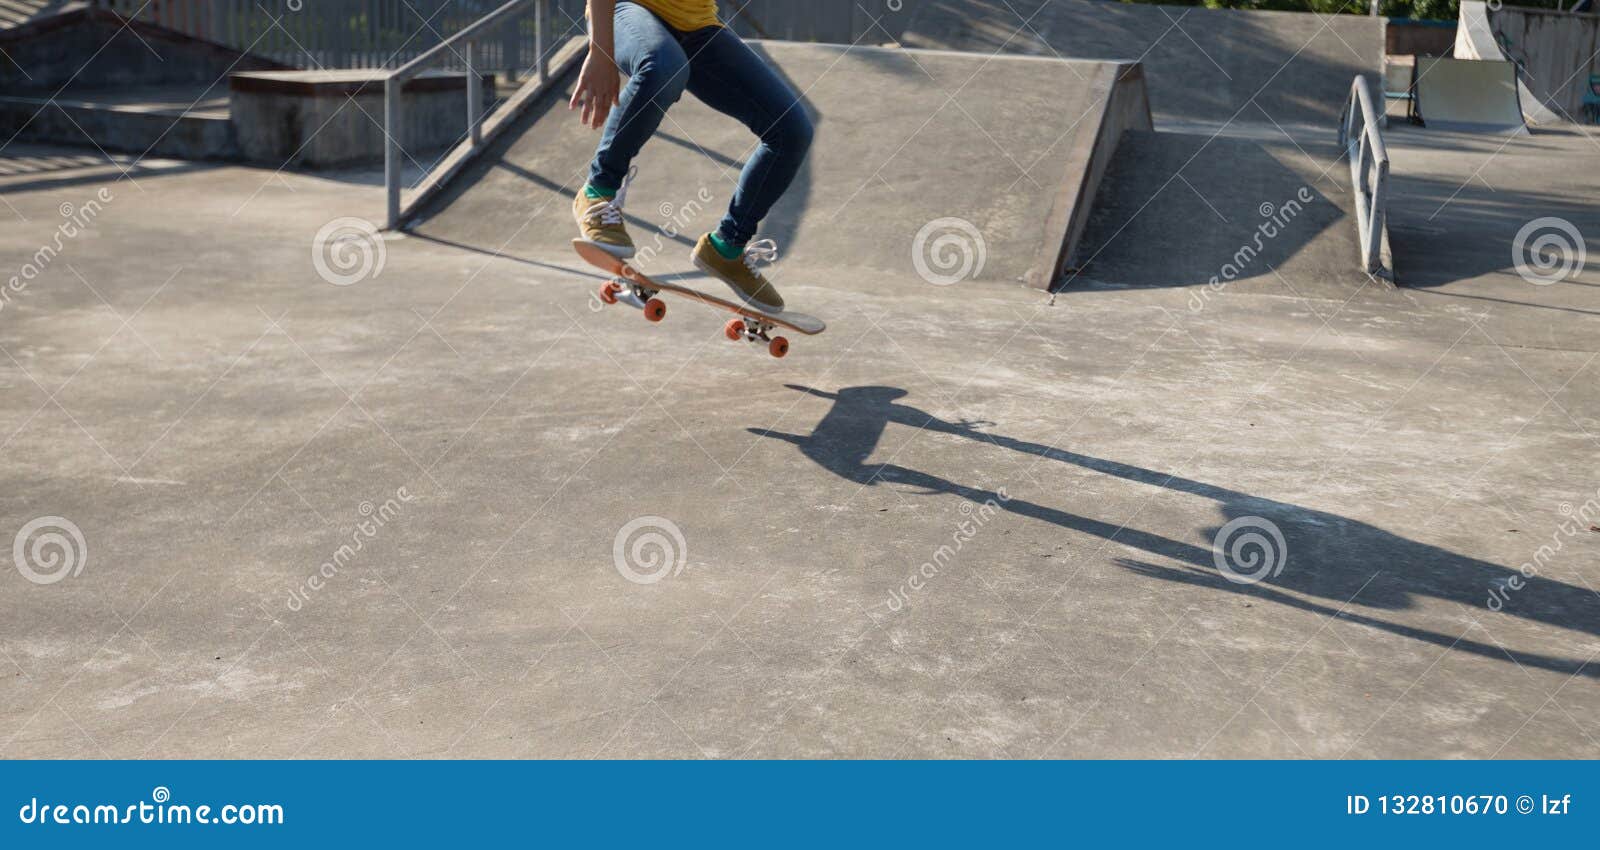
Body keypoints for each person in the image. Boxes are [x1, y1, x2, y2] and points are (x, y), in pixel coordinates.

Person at [569, 0, 813, 311]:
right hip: (625, 12)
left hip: (697, 26)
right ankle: (597, 192)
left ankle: (727, 248)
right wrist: (600, 52)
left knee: (791, 130)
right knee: (664, 66)